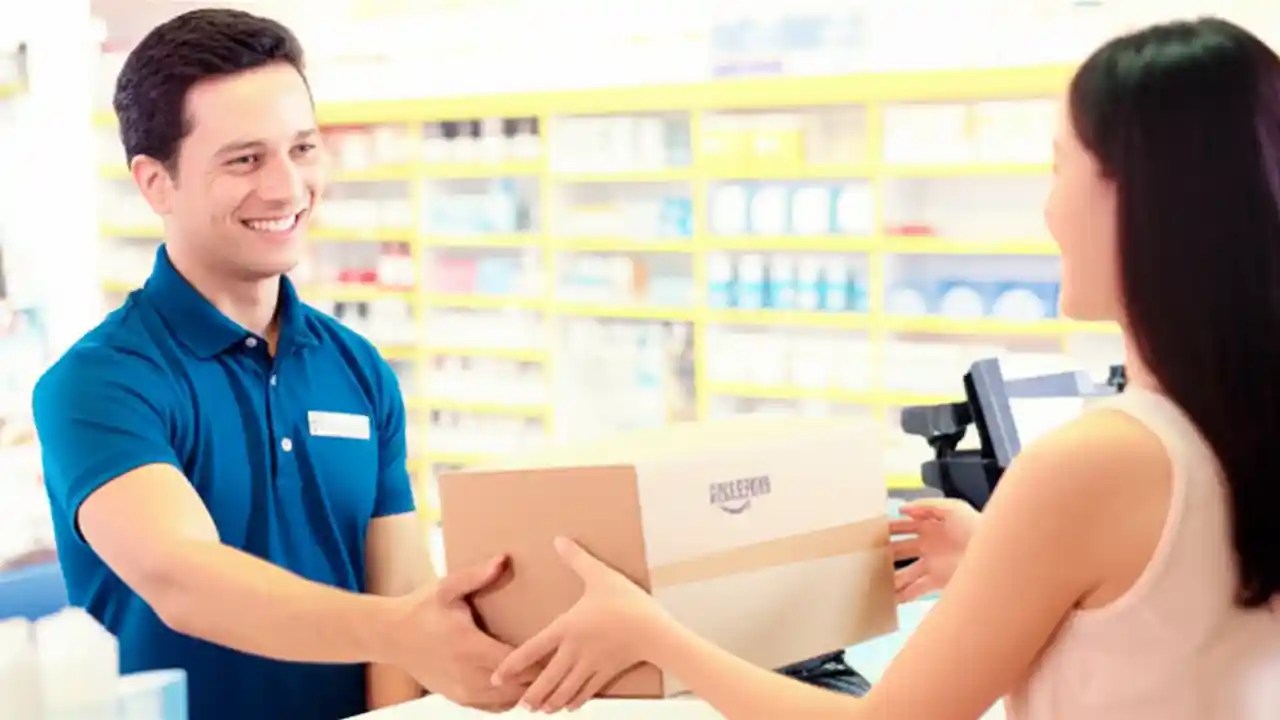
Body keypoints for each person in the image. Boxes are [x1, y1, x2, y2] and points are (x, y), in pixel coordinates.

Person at [489, 17, 1280, 719]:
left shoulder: (1096, 461)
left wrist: (653, 633)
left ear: (1132, 196)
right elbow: (1180, 616)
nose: (1048, 208)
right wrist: (1001, 561)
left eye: (1059, 166)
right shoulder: (1232, 426)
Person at [30, 9, 535, 720]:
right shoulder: (101, 383)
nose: (287, 188)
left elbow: (397, 598)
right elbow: (186, 581)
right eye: (245, 159)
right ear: (156, 183)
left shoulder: (357, 368)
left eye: (302, 148)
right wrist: (405, 628)